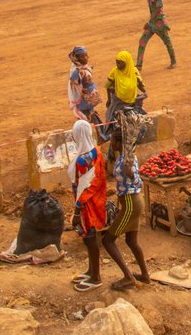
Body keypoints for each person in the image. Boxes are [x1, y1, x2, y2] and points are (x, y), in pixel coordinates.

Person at [101, 129, 150, 289]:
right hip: (133, 201)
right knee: (131, 241)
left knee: (107, 240)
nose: (111, 144)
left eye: (113, 141)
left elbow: (137, 180)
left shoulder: (127, 160)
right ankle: (144, 275)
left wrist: (131, 175)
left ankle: (128, 277)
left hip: (130, 203)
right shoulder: (125, 157)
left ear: (120, 143)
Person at [69, 119, 108, 292]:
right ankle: (91, 270)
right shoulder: (96, 151)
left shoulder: (82, 161)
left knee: (89, 237)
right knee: (89, 236)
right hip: (96, 200)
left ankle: (95, 277)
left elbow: (84, 187)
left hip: (86, 204)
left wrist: (77, 211)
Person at [136, 0, 176, 70]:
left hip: (159, 23)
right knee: (142, 41)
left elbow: (158, 10)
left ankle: (173, 62)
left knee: (167, 42)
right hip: (152, 23)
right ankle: (139, 65)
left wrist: (149, 22)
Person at [67, 46, 102, 127]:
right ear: (77, 58)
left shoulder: (84, 68)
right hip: (84, 101)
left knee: (91, 116)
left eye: (86, 55)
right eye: (83, 56)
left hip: (89, 100)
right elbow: (75, 88)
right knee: (86, 119)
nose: (86, 58)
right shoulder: (77, 72)